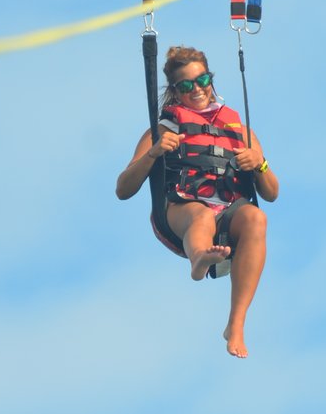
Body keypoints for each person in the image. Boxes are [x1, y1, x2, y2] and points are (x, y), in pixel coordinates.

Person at [116, 45, 279, 359]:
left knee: (257, 219)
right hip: (181, 208)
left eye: (203, 80)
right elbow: (123, 189)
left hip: (229, 209)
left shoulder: (242, 132)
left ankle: (236, 324)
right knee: (201, 215)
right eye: (187, 85)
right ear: (175, 92)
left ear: (211, 79)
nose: (198, 89)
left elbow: (271, 193)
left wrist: (260, 164)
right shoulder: (161, 131)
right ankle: (200, 259)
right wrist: (153, 153)